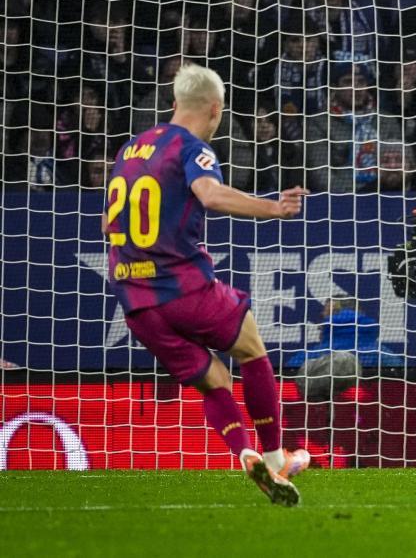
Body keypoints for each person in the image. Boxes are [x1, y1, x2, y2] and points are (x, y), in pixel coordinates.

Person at [104, 64, 312, 506]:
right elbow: (211, 195)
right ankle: (276, 458)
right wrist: (274, 208)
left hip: (136, 303)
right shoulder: (192, 149)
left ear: (175, 103)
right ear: (215, 110)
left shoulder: (130, 149)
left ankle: (245, 454)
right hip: (182, 288)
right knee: (252, 349)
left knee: (215, 379)